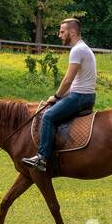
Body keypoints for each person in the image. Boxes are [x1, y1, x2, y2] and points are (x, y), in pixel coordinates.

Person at [22, 18, 96, 173]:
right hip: (83, 94)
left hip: (80, 97)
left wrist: (56, 96)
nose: (59, 35)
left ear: (72, 32)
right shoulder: (83, 48)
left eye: (62, 31)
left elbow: (68, 80)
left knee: (48, 116)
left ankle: (42, 158)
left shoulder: (77, 50)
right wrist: (60, 97)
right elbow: (75, 81)